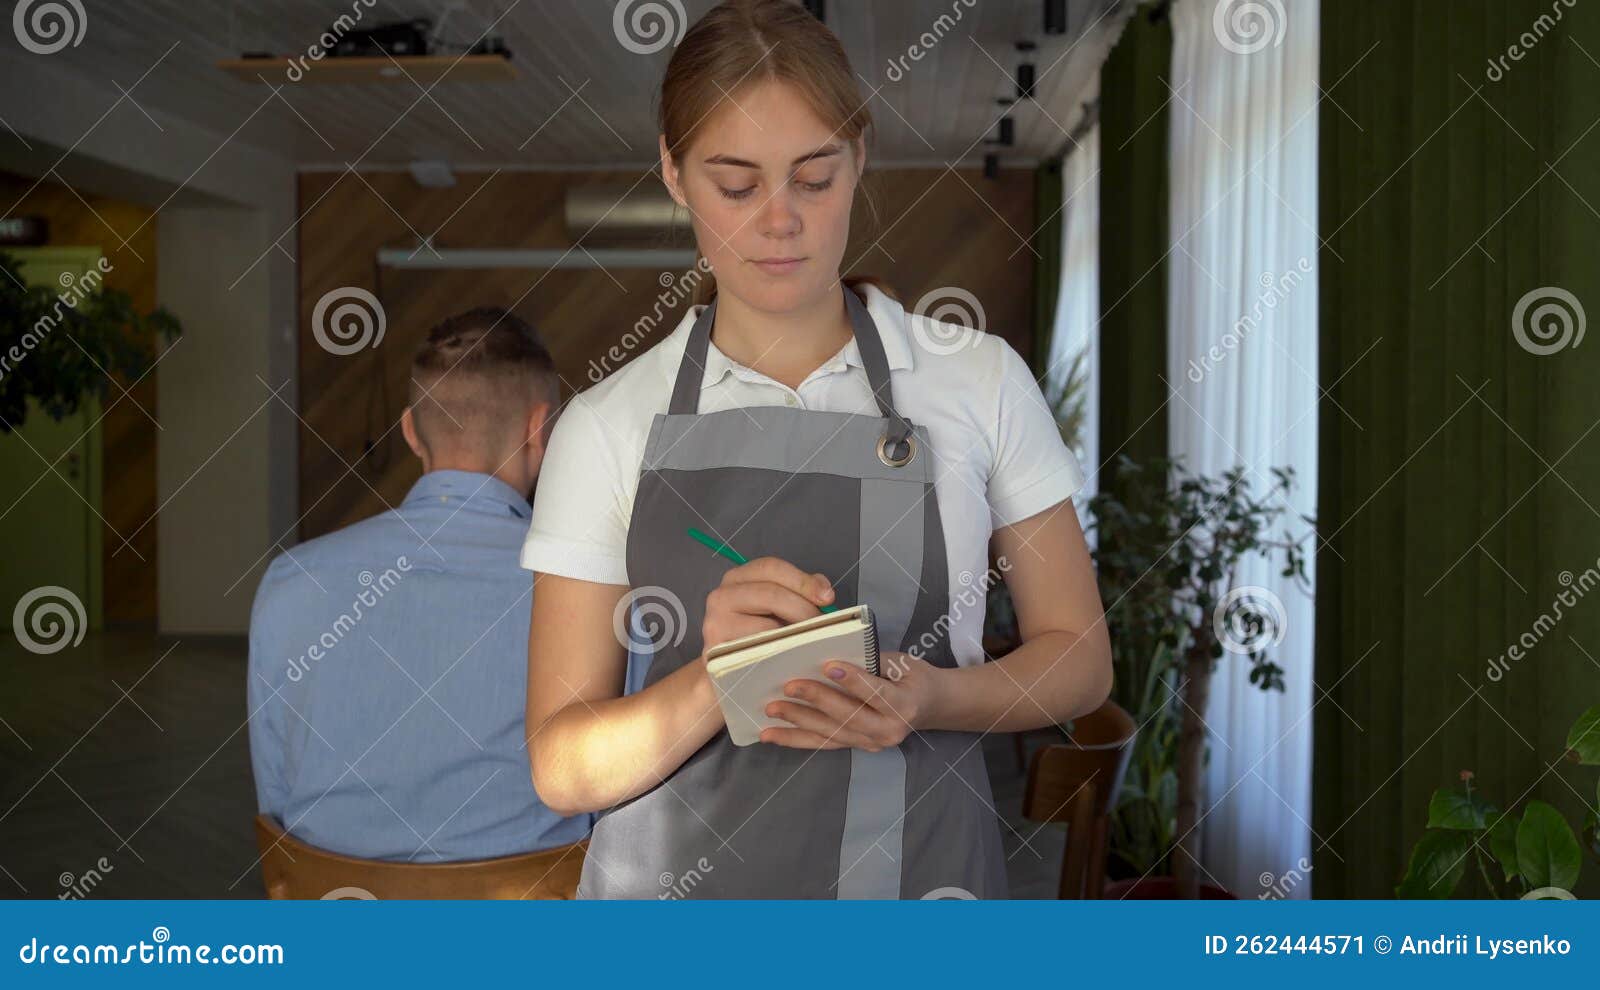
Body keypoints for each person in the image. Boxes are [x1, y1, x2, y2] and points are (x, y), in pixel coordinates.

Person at [522, 0, 1111, 899]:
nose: (780, 219)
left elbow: (1079, 657)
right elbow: (562, 765)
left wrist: (931, 698)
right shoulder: (605, 424)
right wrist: (718, 683)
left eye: (813, 176)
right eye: (736, 183)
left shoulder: (977, 379)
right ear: (675, 176)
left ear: (859, 157)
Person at [248, 307, 592, 863]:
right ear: (539, 431)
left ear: (409, 430)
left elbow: (277, 802)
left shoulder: (293, 580)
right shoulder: (585, 588)